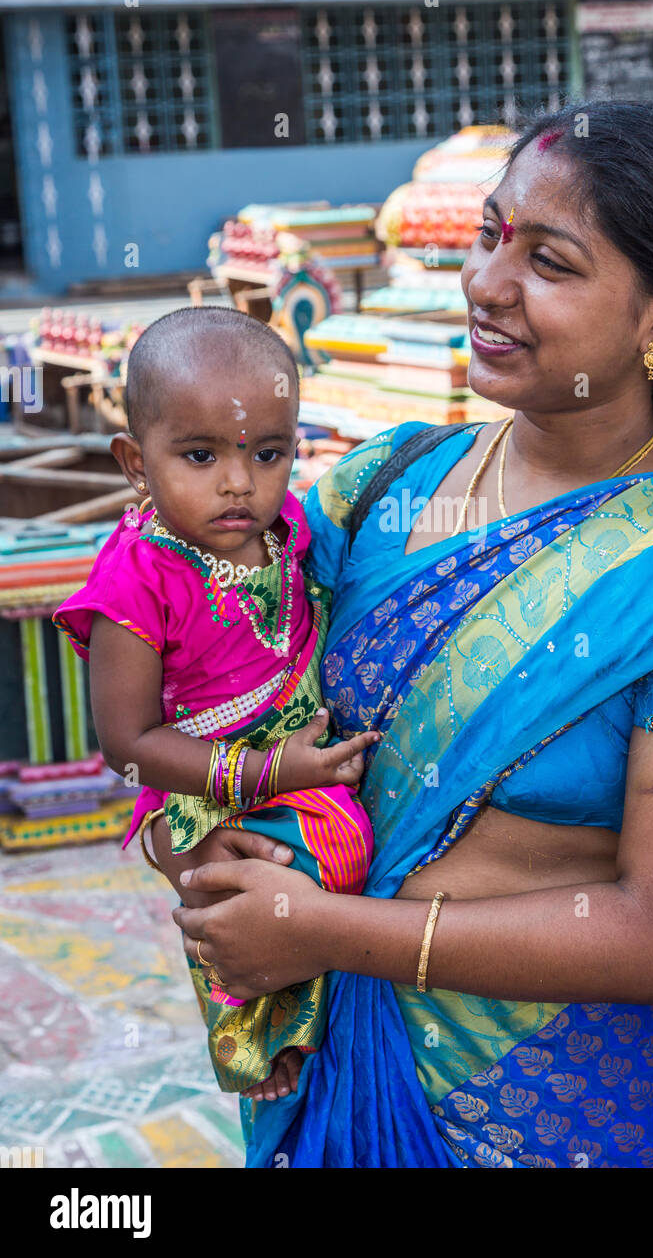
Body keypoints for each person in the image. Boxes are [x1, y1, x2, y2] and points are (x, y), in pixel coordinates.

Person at [164, 101, 653, 1169]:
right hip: (343, 1083)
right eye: (489, 234)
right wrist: (208, 844)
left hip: (561, 1116)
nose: (488, 283)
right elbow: (214, 677)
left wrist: (319, 930)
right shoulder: (381, 490)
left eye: (549, 260)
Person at [53, 307, 379, 1099]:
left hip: (290, 763)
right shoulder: (137, 581)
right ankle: (253, 1041)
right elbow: (127, 745)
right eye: (199, 455)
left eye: (267, 454)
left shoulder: (290, 531)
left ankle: (312, 1027)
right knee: (245, 901)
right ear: (136, 461)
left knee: (334, 873)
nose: (239, 482)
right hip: (201, 788)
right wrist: (265, 772)